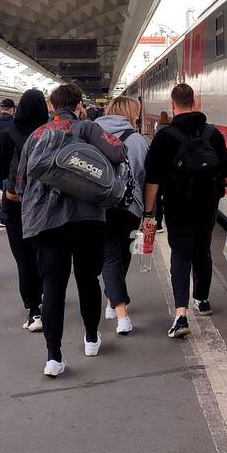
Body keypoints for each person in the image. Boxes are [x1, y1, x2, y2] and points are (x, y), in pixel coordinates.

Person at [13, 83, 126, 377]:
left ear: (52, 106)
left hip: (47, 222)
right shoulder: (88, 129)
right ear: (79, 105)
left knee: (53, 286)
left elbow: (19, 183)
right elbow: (118, 153)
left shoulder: (36, 135)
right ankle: (91, 339)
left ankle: (54, 357)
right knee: (88, 279)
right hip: (87, 217)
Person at [142, 83, 227, 339]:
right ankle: (202, 300)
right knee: (202, 251)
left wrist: (149, 214)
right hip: (207, 206)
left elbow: (153, 180)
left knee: (180, 255)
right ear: (195, 102)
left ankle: (180, 314)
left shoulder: (164, 136)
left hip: (177, 206)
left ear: (173, 105)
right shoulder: (212, 133)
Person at [0, 89, 48, 332]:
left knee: (23, 259)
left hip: (15, 203)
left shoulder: (6, 136)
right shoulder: (50, 135)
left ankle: (34, 311)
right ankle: (46, 294)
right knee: (44, 253)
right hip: (46, 204)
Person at [97, 96, 149, 336]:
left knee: (111, 257)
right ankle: (122, 315)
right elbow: (143, 176)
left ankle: (112, 301)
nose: (138, 117)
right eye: (136, 112)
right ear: (129, 113)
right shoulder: (137, 140)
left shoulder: (92, 134)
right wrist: (150, 212)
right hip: (130, 207)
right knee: (121, 254)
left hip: (100, 206)